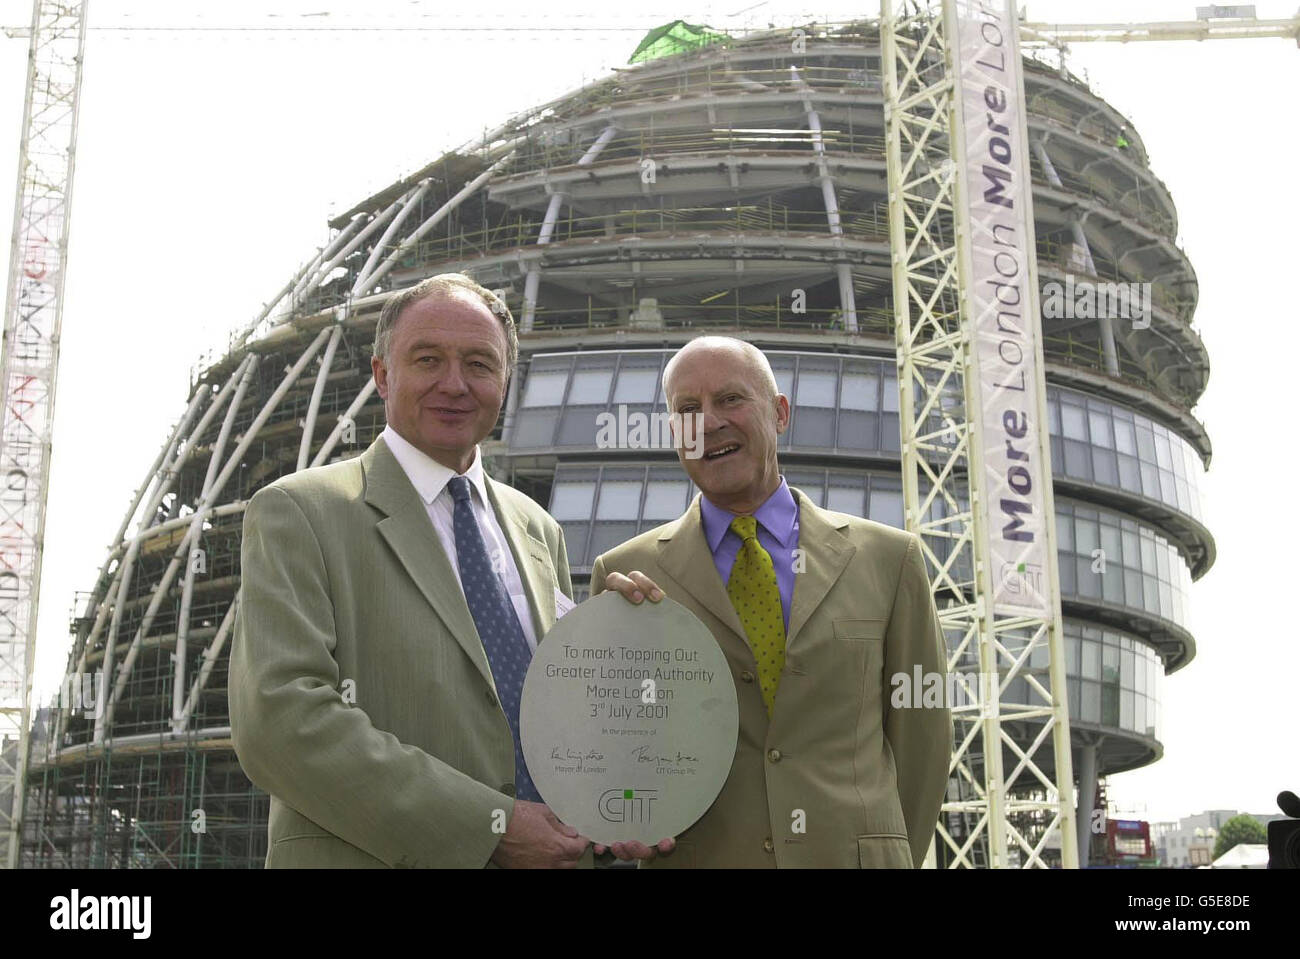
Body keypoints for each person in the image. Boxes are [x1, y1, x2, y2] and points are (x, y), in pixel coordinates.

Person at [229, 272, 669, 868]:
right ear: (383, 375)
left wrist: (620, 803)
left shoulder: (540, 530)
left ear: (506, 382)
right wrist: (491, 827)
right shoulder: (301, 512)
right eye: (428, 359)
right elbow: (280, 720)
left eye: (480, 365)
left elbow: (555, 718)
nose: (454, 385)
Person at [590, 336, 951, 868]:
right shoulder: (624, 576)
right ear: (674, 433)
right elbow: (610, 754)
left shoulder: (889, 560)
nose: (709, 422)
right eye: (688, 409)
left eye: (731, 400)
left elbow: (922, 746)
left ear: (780, 413)